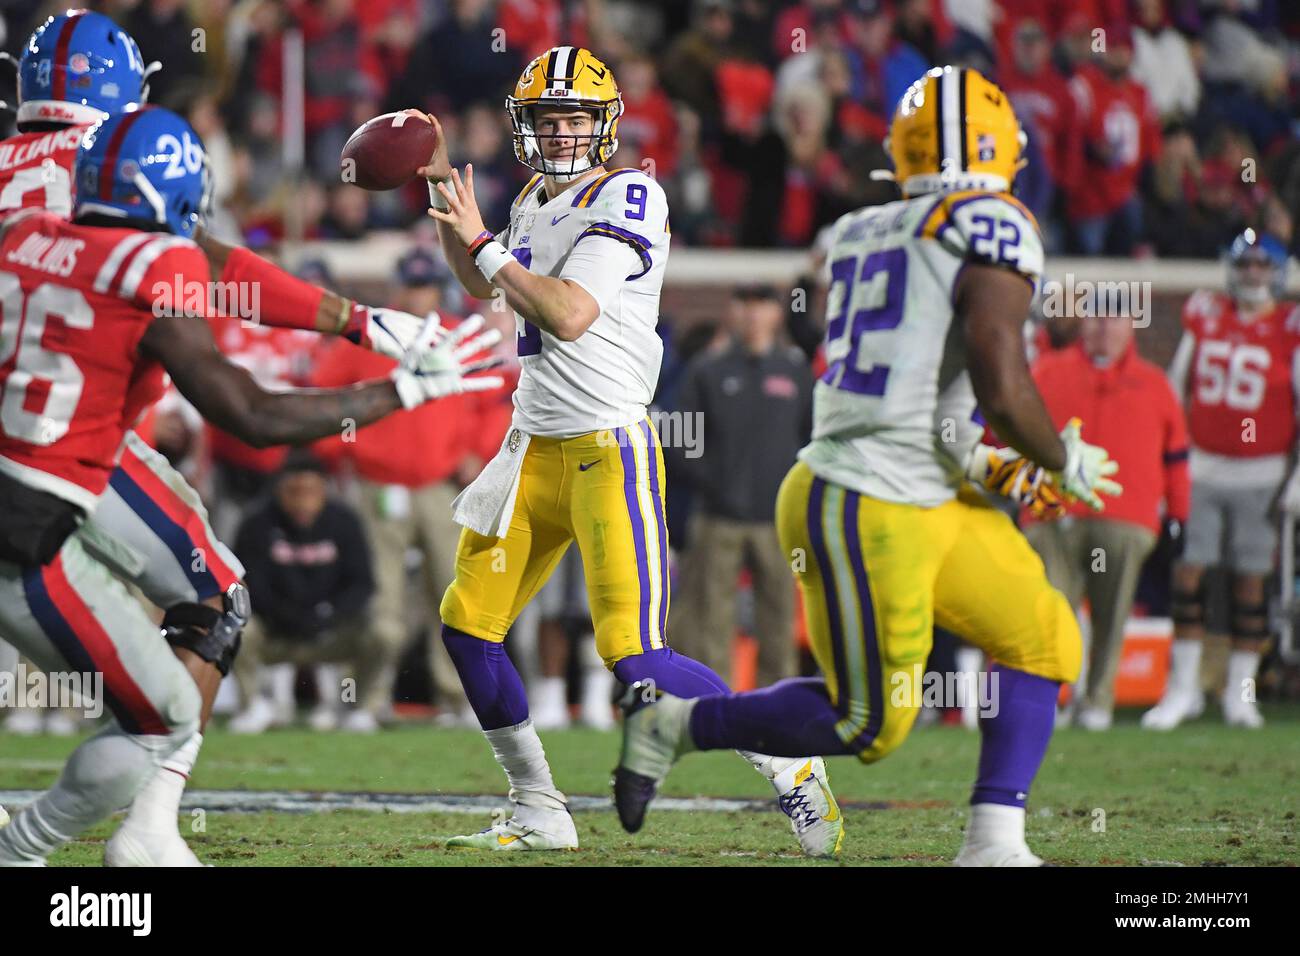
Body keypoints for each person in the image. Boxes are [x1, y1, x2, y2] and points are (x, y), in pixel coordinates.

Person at [613, 66, 1122, 867]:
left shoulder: (857, 231)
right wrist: (1055, 454)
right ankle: (675, 723)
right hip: (864, 494)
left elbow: (934, 399)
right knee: (869, 726)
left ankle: (994, 842)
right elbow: (999, 371)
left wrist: (996, 467)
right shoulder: (991, 221)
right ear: (997, 151)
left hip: (916, 482)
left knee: (1045, 638)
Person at [0, 9, 447, 866]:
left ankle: (134, 803)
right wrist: (357, 326)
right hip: (67, 445)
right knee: (213, 601)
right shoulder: (108, 174)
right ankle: (139, 823)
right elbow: (222, 286)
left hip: (28, 432)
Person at [418, 45, 843, 856]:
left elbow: (570, 311)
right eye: (549, 119)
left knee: (633, 654)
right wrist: (444, 191)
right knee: (467, 627)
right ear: (527, 127)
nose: (563, 132)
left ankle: (786, 758)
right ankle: (538, 805)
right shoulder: (539, 198)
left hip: (609, 450)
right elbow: (482, 283)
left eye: (575, 118)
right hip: (532, 448)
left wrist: (480, 243)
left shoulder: (629, 193)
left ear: (604, 125)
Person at [1144, 230, 1297, 730]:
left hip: (1263, 472)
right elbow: (1173, 385)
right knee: (1188, 574)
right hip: (1203, 465)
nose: (1252, 274)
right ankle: (1182, 689)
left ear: (1275, 271)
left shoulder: (1290, 326)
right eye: (1245, 264)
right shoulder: (1205, 313)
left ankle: (1240, 693)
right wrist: (1169, 457)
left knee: (1250, 582)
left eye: (1261, 265)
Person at [1025, 314, 1190, 731]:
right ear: (1083, 326)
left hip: (1124, 517)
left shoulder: (1154, 383)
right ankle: (1054, 698)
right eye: (1096, 319)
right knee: (1050, 611)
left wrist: (1178, 514)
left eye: (1114, 320)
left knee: (1111, 614)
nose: (1103, 329)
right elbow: (1013, 430)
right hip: (1053, 513)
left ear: (1129, 328)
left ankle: (1098, 700)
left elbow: (1176, 457)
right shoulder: (1048, 370)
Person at [668, 284, 813, 688]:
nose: (753, 316)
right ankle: (715, 704)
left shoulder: (794, 371)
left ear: (776, 314)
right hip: (717, 517)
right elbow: (681, 439)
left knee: (779, 617)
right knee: (710, 618)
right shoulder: (708, 370)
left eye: (762, 306)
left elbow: (814, 439)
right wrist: (714, 484)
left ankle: (776, 703)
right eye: (745, 306)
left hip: (777, 519)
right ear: (732, 313)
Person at [232, 453, 380, 730]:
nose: (302, 500)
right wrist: (286, 615)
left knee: (386, 631)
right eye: (294, 491)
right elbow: (248, 584)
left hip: (331, 630)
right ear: (279, 490)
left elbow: (362, 583)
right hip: (275, 631)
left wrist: (329, 613)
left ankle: (360, 708)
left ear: (324, 491)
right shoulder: (257, 523)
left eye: (310, 491)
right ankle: (252, 705)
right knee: (237, 628)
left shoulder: (345, 522)